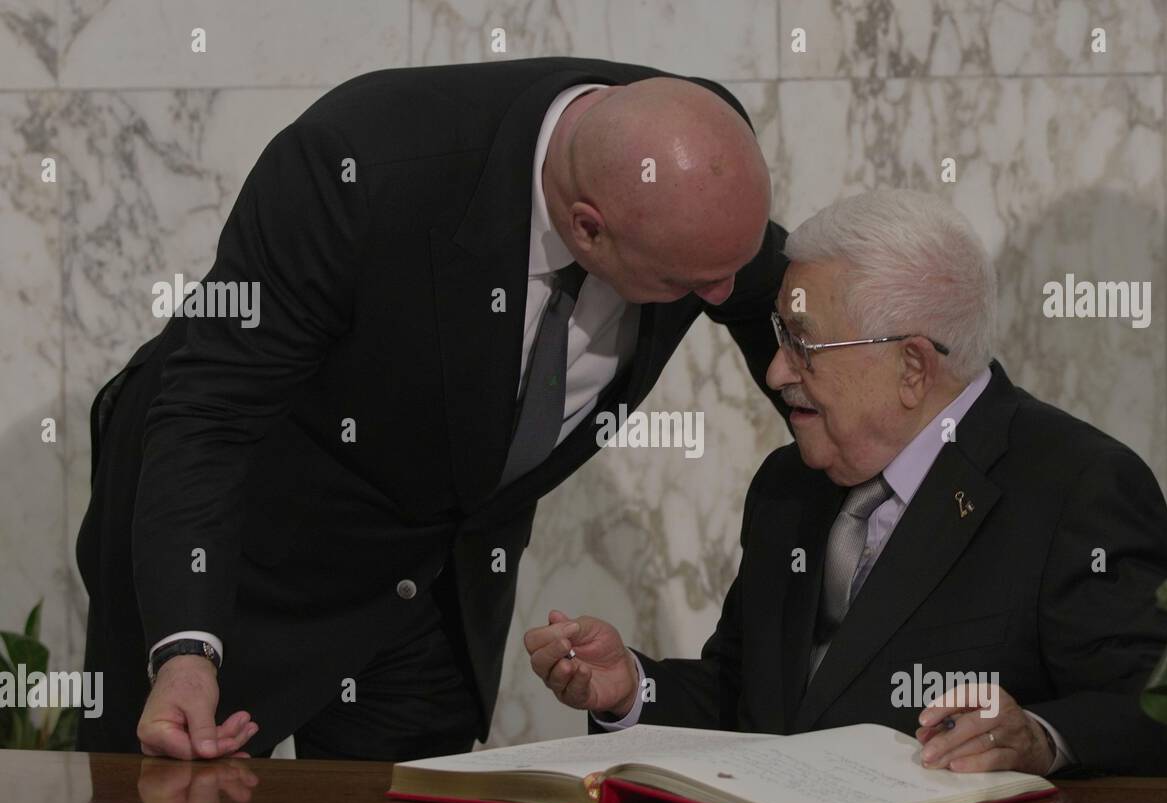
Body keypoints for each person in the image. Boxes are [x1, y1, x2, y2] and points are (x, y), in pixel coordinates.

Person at [76, 57, 790, 761]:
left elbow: (781, 307)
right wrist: (185, 653)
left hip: (438, 581)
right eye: (689, 284)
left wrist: (888, 485)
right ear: (588, 228)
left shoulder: (694, 166)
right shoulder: (354, 167)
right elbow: (211, 415)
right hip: (247, 555)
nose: (726, 295)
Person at [525, 188, 1167, 777]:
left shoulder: (1075, 485)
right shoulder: (787, 489)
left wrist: (1040, 738)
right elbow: (754, 706)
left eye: (802, 343)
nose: (774, 370)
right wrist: (631, 691)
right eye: (778, 336)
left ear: (913, 367)